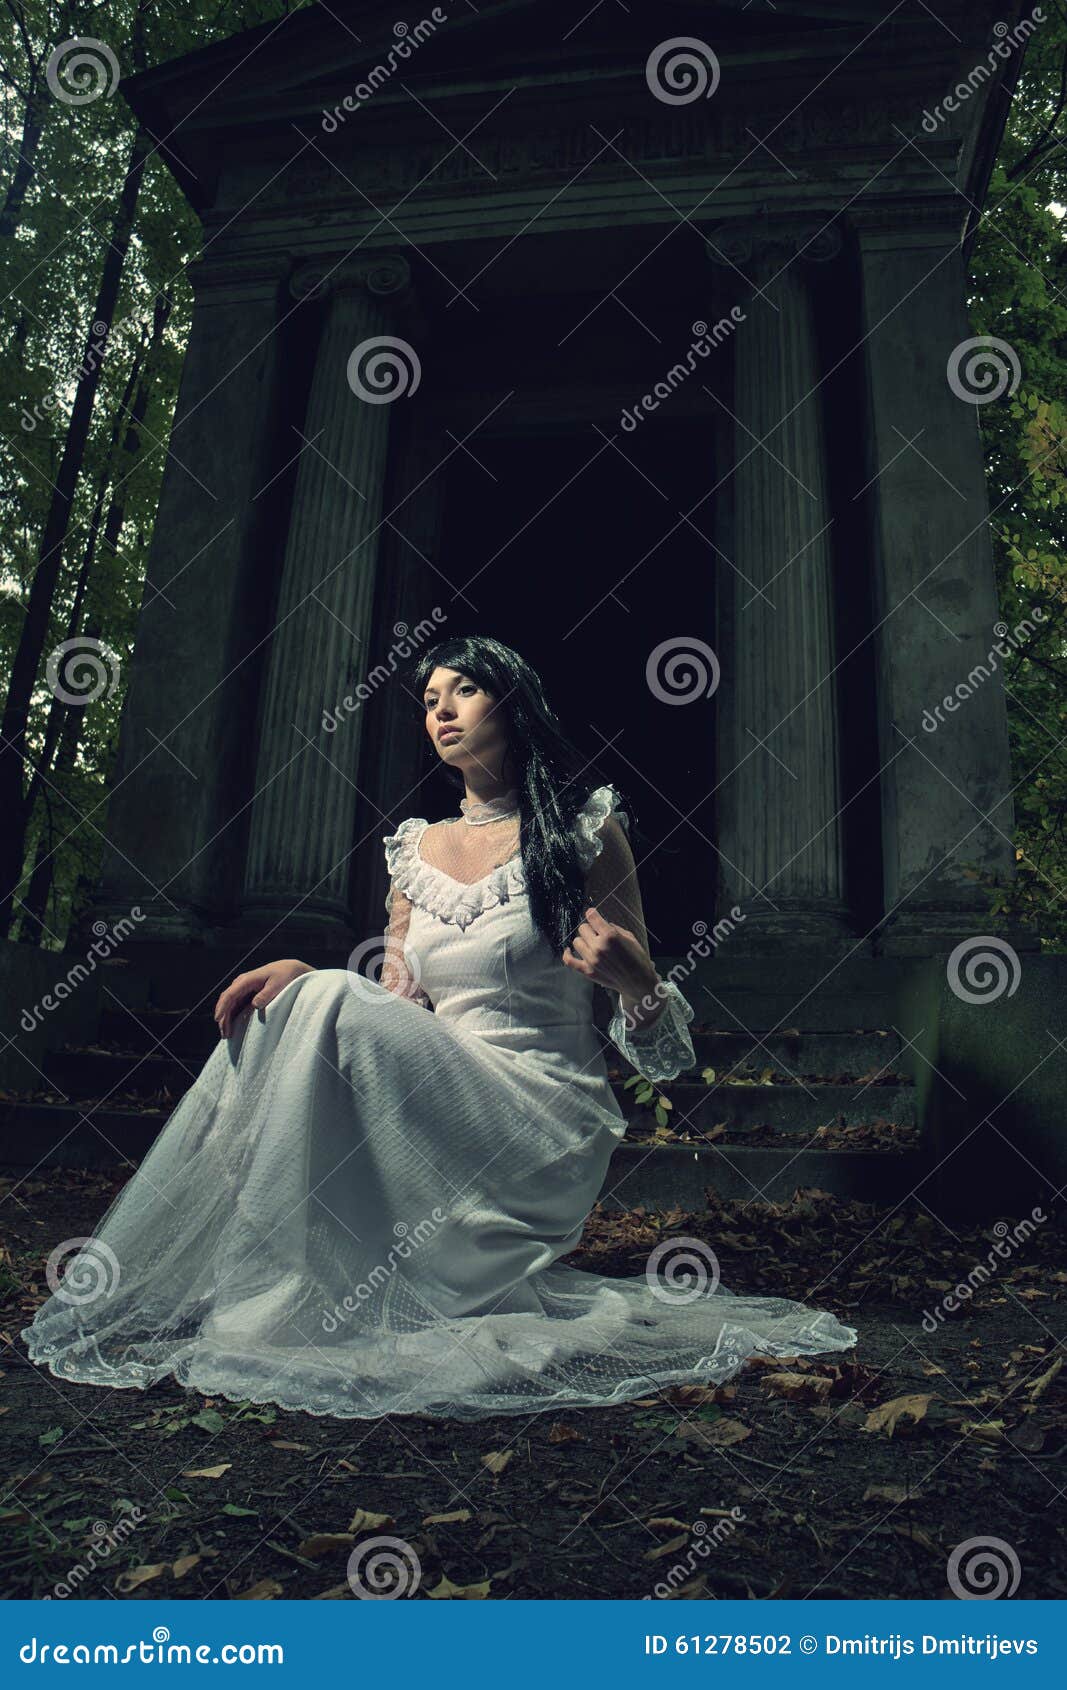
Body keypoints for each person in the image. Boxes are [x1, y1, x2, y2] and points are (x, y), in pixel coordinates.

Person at [21, 635, 855, 1419]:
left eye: (466, 689)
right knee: (296, 1005)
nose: (443, 710)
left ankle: (303, 1278)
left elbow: (662, 1052)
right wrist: (308, 980)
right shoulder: (412, 852)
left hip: (543, 1111)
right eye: (428, 699)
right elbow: (397, 1008)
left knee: (326, 1002)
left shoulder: (584, 830)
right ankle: (288, 1281)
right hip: (445, 1091)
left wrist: (638, 981)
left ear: (513, 704)